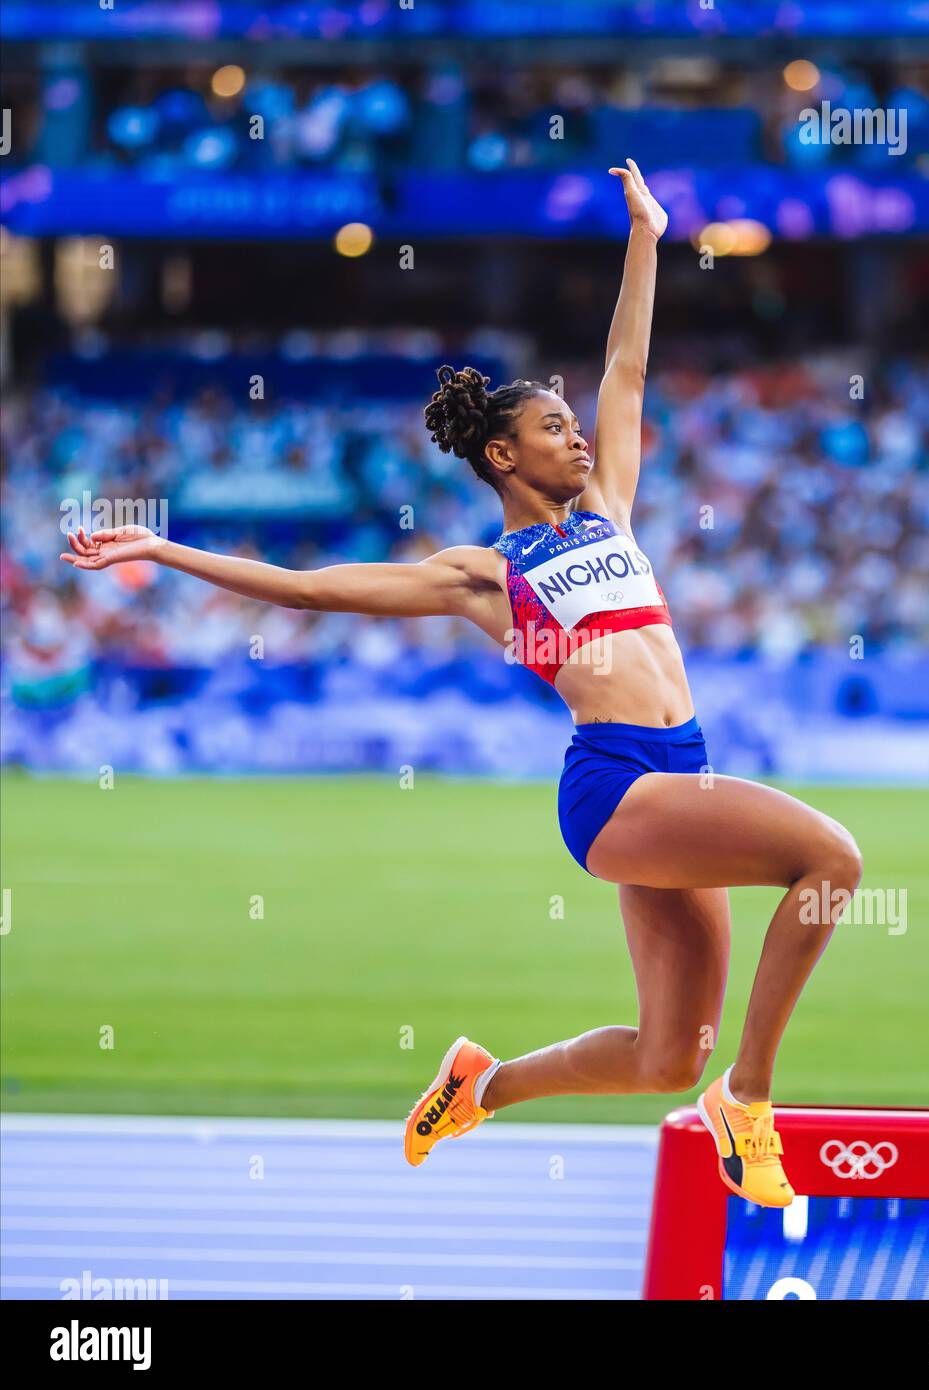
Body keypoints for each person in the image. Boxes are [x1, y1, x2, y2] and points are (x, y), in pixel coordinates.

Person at [61, 160, 863, 1208]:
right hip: (619, 783)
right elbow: (308, 589)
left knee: (667, 1056)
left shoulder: (610, 511)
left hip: (686, 769)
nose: (577, 434)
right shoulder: (483, 574)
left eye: (574, 426)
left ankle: (480, 1084)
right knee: (831, 860)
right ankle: (747, 1101)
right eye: (551, 428)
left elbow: (625, 368)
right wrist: (165, 551)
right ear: (500, 452)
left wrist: (645, 237)